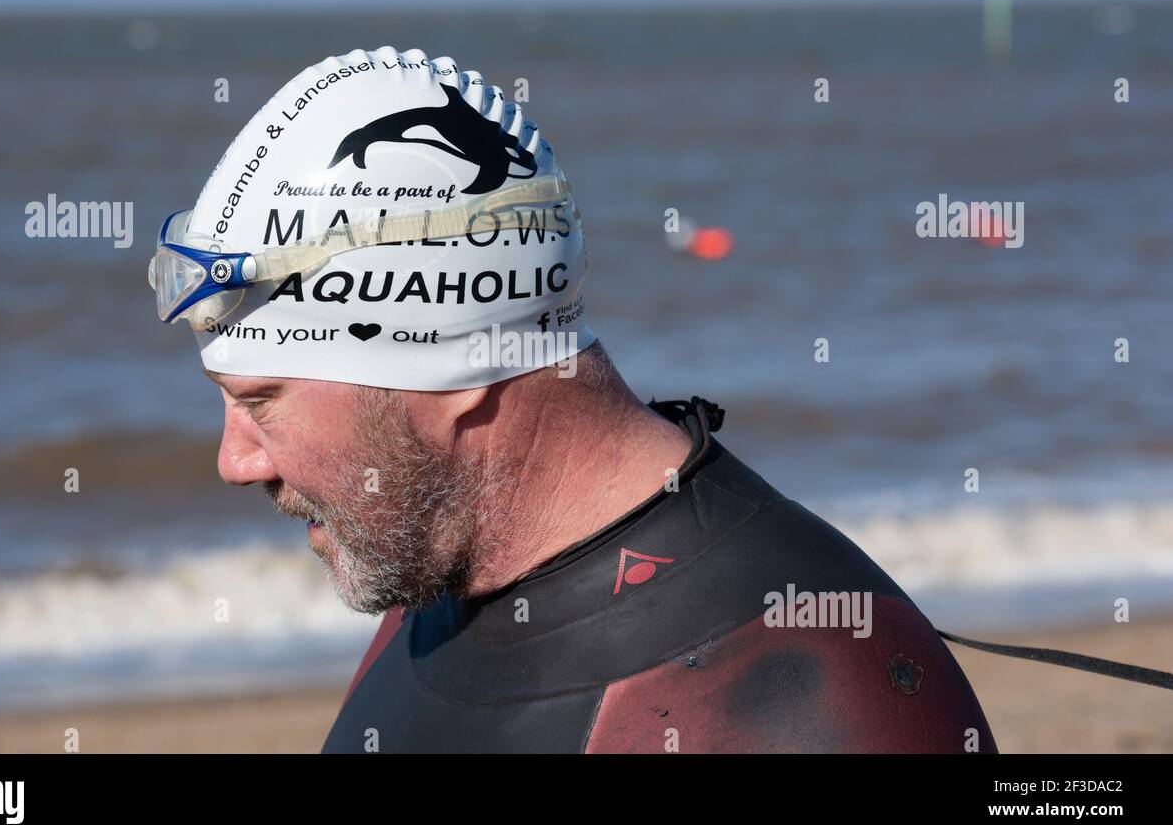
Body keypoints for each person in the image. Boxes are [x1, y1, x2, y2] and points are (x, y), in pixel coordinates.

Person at [147, 47, 996, 753]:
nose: (235, 460)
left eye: (261, 400)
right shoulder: (434, 580)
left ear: (458, 357)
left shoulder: (817, 697)